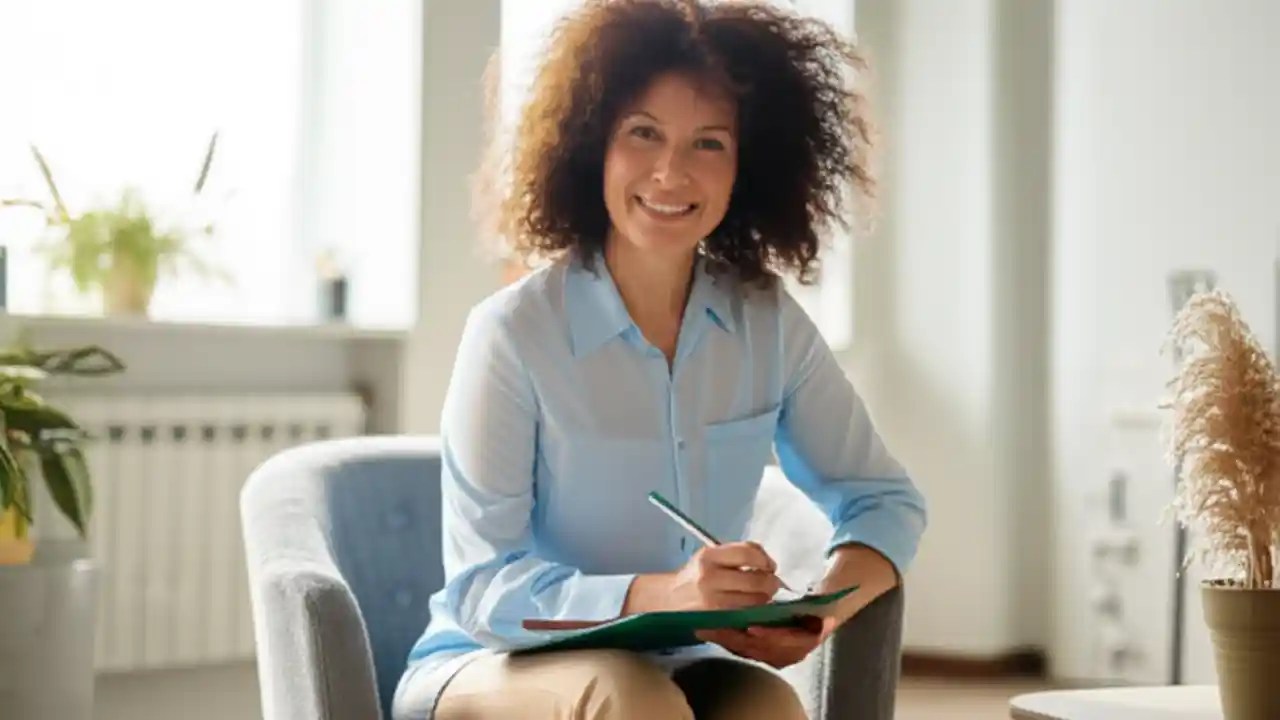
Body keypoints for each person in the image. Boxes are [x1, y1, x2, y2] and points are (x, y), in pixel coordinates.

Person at [393, 1, 927, 718]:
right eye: (643, 133)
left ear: (748, 165)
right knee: (630, 697)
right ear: (591, 145)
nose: (671, 172)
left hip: (679, 661)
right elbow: (485, 591)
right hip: (488, 662)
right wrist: (667, 593)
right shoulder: (511, 334)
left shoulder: (767, 324)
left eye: (709, 143)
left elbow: (883, 500)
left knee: (766, 707)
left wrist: (820, 611)